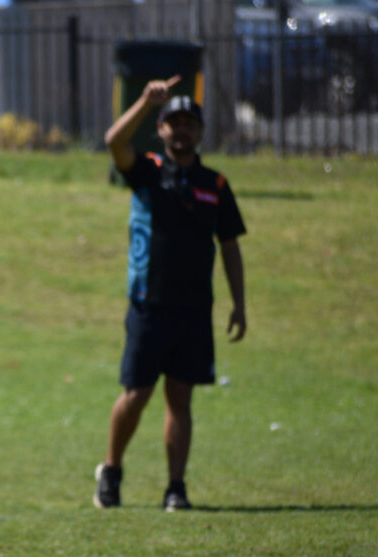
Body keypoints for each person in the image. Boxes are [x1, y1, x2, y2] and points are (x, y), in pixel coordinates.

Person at [95, 77, 247, 512]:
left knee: (180, 398)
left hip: (195, 309)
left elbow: (230, 246)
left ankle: (175, 488)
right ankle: (112, 469)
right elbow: (113, 141)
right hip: (149, 304)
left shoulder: (215, 185)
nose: (181, 131)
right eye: (173, 123)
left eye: (189, 124)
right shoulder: (146, 172)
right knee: (137, 394)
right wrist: (145, 100)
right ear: (160, 129)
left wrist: (240, 303)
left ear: (200, 132)